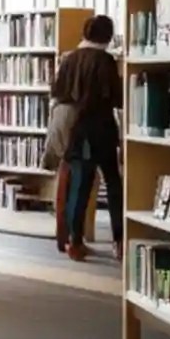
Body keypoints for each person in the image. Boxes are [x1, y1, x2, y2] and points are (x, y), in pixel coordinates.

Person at [51, 15, 123, 262]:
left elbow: (57, 93)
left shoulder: (69, 59)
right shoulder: (106, 61)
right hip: (102, 129)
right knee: (113, 184)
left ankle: (75, 241)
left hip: (75, 131)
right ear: (107, 36)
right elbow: (116, 98)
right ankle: (119, 241)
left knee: (80, 187)